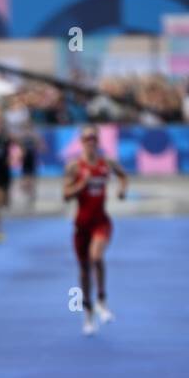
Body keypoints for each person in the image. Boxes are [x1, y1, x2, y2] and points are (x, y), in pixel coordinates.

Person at [63, 125, 126, 335]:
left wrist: (122, 190)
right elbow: (65, 195)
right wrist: (82, 184)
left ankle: (102, 300)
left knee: (96, 257)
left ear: (98, 141)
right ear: (81, 141)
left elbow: (123, 175)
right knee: (83, 270)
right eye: (87, 138)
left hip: (101, 221)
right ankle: (88, 313)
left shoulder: (106, 163)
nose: (90, 141)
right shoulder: (74, 167)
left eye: (94, 138)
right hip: (81, 225)